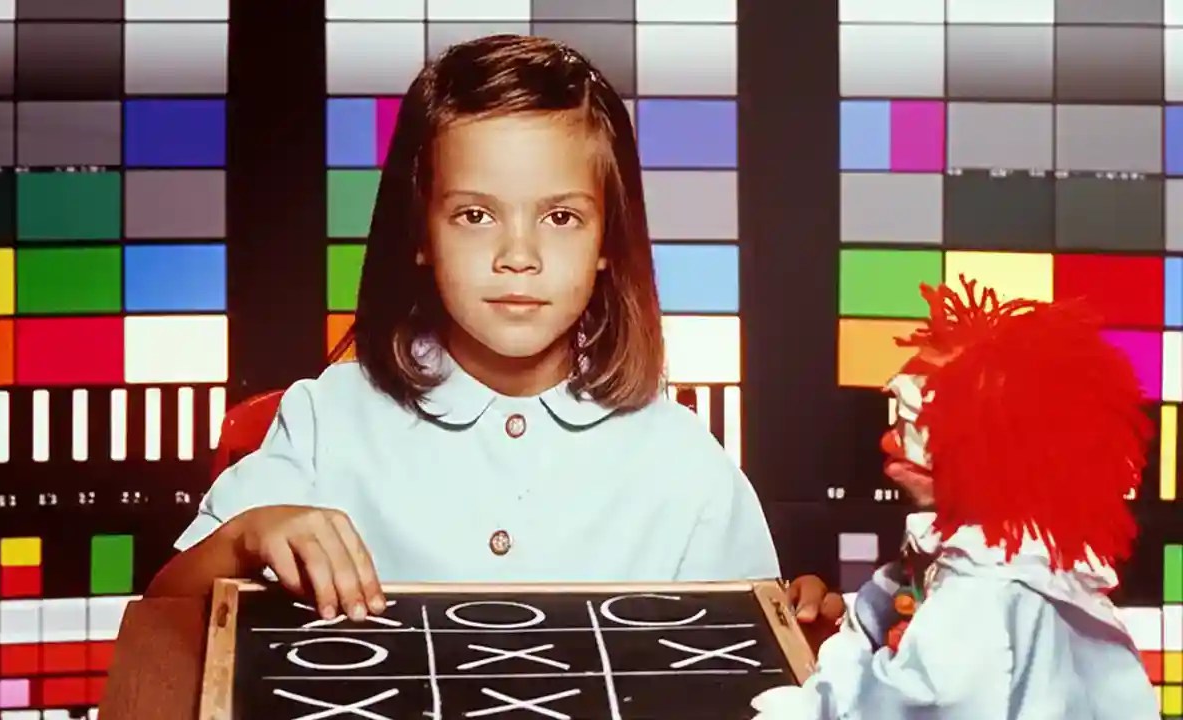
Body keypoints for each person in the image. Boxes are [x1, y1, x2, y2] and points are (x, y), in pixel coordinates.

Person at [145, 34, 841, 631]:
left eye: (560, 218)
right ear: (421, 232)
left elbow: (746, 669)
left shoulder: (682, 461)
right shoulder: (327, 419)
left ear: (607, 238)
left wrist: (796, 633)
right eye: (475, 215)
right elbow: (163, 616)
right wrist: (246, 539)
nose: (518, 255)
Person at [751, 277, 1160, 719]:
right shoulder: (960, 563)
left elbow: (895, 706)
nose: (891, 442)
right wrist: (833, 630)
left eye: (924, 429)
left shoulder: (989, 590)